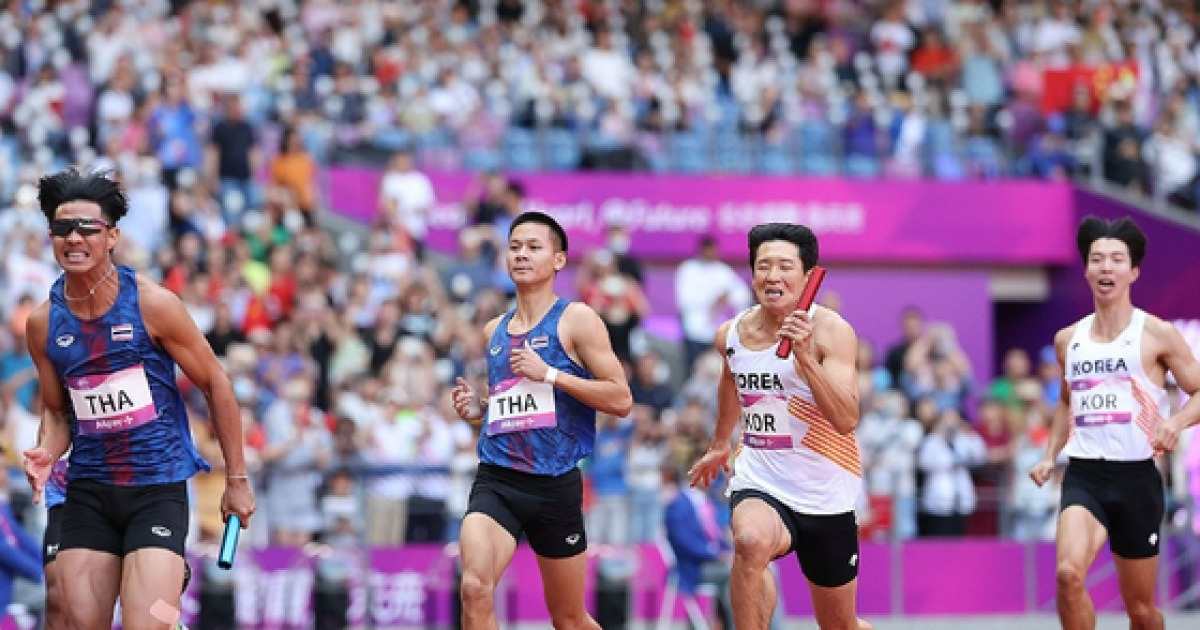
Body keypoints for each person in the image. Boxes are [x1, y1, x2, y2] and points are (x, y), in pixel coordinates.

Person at [21, 168, 256, 630]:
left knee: (144, 625)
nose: (74, 237)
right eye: (62, 228)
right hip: (88, 489)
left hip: (156, 488)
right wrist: (46, 451)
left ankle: (163, 593)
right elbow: (55, 409)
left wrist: (238, 477)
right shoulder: (43, 324)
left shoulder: (153, 304)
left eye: (87, 227)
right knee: (73, 621)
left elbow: (216, 383)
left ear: (112, 236)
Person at [450, 211, 632, 630]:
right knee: (474, 589)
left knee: (569, 619)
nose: (521, 255)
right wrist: (479, 411)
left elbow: (621, 399)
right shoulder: (494, 330)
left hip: (556, 485)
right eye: (514, 247)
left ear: (559, 260)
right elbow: (512, 406)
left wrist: (549, 372)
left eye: (533, 247)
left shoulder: (577, 320)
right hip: (498, 479)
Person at [688, 223, 872, 630]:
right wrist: (720, 443)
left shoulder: (832, 332)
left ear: (808, 276)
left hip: (826, 493)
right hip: (761, 477)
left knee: (840, 625)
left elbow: (846, 419)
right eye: (762, 266)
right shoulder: (732, 333)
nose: (772, 276)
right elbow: (730, 382)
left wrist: (805, 359)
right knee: (749, 542)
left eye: (784, 266)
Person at [1030, 215, 1200, 630]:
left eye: (1116, 259)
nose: (1106, 267)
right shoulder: (1068, 339)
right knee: (1068, 576)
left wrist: (1175, 423)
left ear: (1133, 271)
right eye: (1097, 259)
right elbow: (1067, 402)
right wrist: (1050, 454)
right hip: (1084, 476)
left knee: (1141, 611)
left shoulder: (1156, 334)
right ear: (1086, 270)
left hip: (1136, 480)